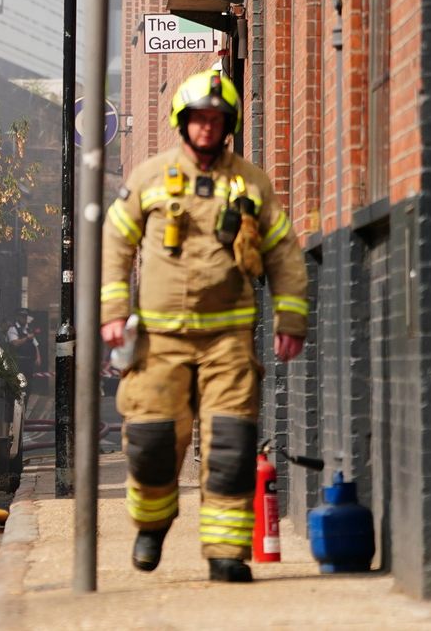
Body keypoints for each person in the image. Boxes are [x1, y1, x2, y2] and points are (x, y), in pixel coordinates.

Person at [100, 69, 309, 584]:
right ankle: (152, 526)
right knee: (150, 444)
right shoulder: (150, 177)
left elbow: (283, 251)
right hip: (158, 342)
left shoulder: (251, 183)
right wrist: (113, 310)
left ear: (229, 124)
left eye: (217, 119)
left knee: (231, 448)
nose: (207, 126)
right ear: (182, 122)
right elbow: (116, 242)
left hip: (228, 342)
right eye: (198, 118)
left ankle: (226, 553)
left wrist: (291, 317)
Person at [4, 309, 44, 378]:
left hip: (29, 362)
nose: (24, 319)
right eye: (22, 316)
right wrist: (27, 338)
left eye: (25, 317)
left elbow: (35, 345)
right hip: (17, 361)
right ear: (18, 317)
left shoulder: (28, 329)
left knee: (29, 381)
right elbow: (15, 343)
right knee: (18, 381)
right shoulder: (12, 329)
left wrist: (38, 357)